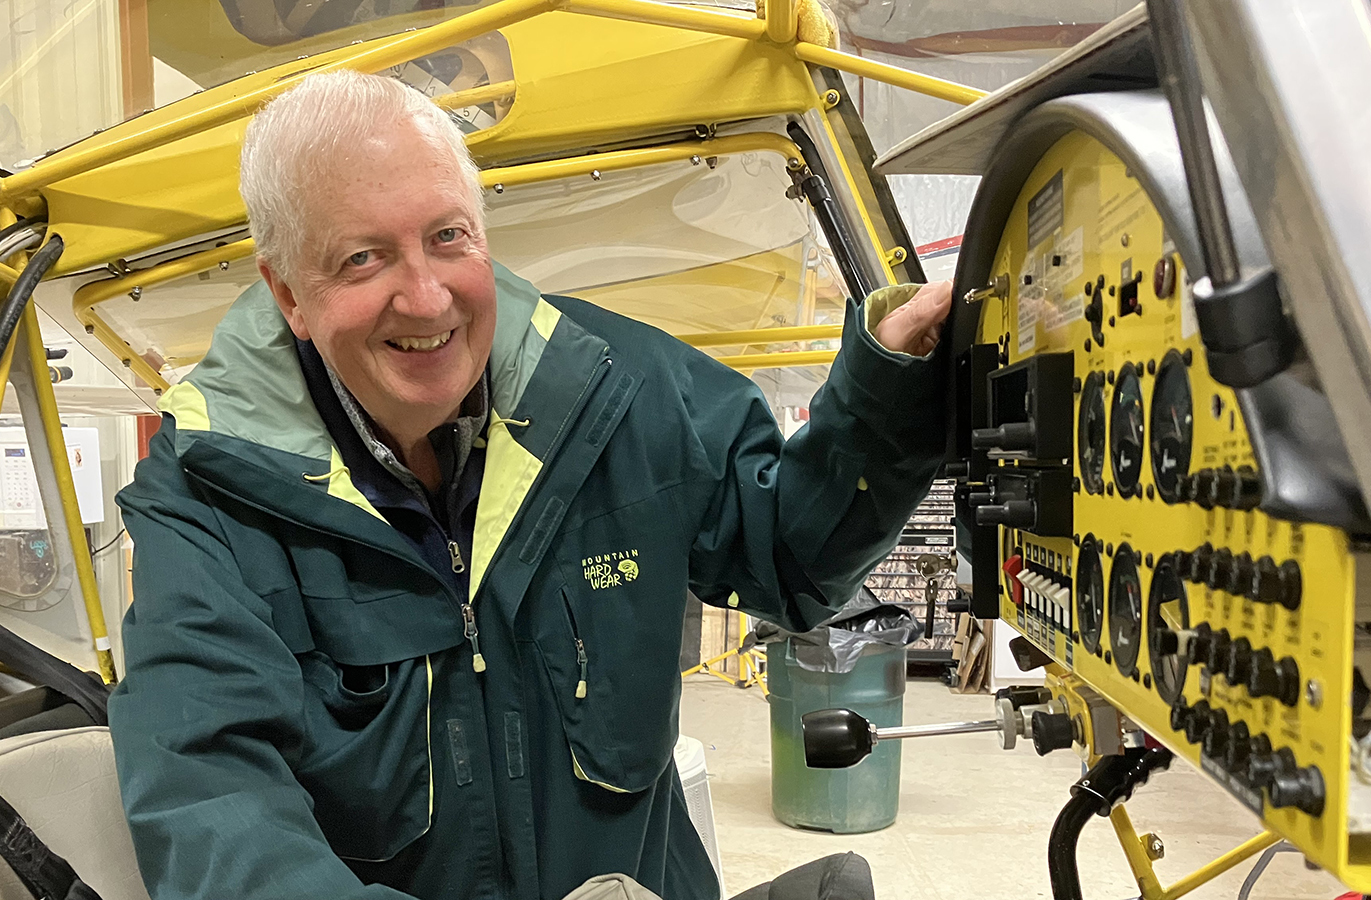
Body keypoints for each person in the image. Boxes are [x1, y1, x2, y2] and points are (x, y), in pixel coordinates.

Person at [109, 69, 952, 900]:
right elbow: (210, 798)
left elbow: (787, 558)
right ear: (288, 292)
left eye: (448, 236)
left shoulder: (625, 391)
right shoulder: (206, 496)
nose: (427, 296)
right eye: (363, 258)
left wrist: (887, 395)